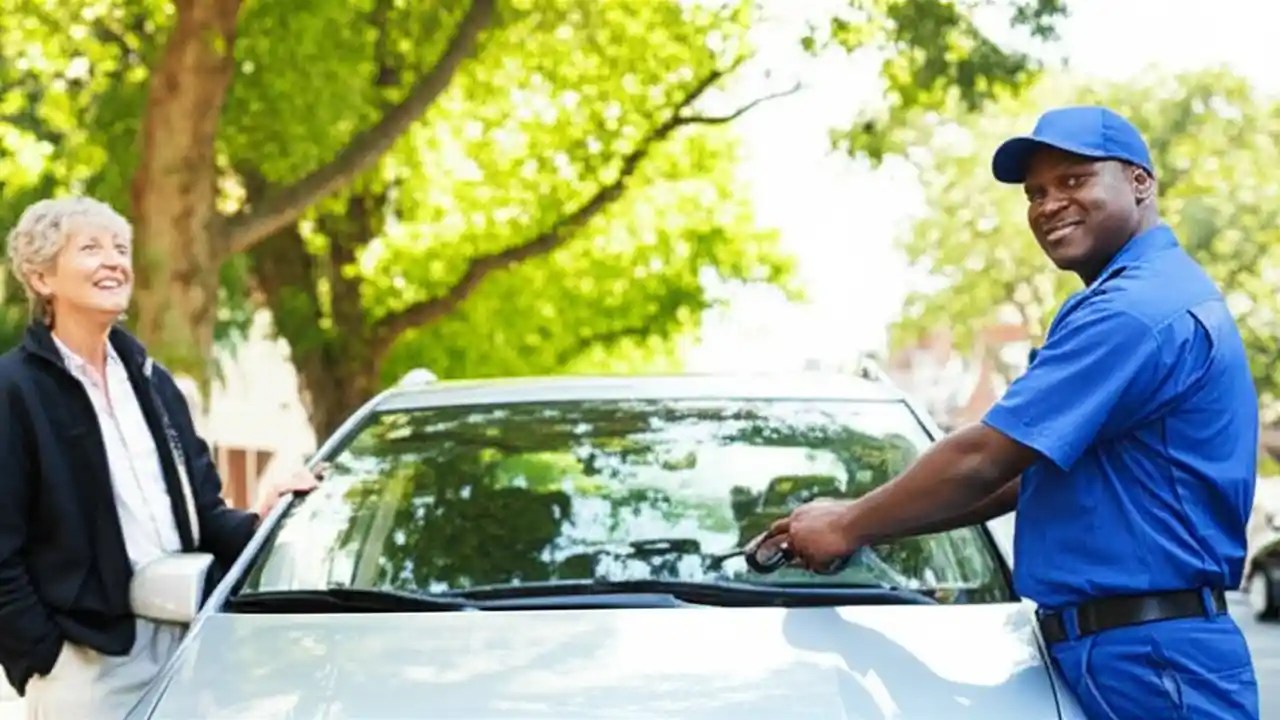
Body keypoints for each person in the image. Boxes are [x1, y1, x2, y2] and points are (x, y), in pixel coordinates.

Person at [764, 106, 1260, 718]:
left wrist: (847, 524)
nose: (1048, 204)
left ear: (1139, 182)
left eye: (1074, 180)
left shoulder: (1135, 311)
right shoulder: (1139, 297)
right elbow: (1020, 476)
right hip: (1127, 651)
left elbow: (983, 456)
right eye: (1035, 193)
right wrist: (872, 526)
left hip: (1152, 661)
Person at [0, 196, 321, 719]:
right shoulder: (13, 390)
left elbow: (205, 517)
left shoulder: (154, 383)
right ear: (41, 279)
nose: (114, 261)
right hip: (86, 662)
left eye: (121, 248)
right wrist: (45, 656)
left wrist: (264, 516)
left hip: (192, 645)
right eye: (91, 248)